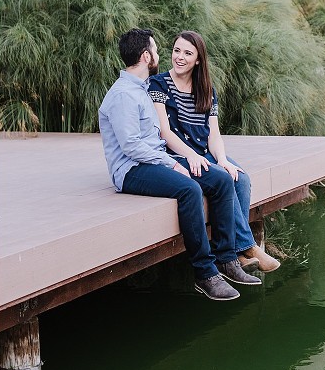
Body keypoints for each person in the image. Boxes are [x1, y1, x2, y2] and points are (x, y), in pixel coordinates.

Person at [98, 28, 261, 301]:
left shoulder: (143, 88)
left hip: (154, 159)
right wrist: (172, 164)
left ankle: (227, 258)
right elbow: (132, 147)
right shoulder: (124, 95)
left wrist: (184, 160)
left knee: (221, 179)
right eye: (158, 50)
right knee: (190, 190)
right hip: (131, 170)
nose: (163, 55)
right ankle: (204, 272)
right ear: (146, 56)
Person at [149, 30, 280, 272]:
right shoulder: (158, 84)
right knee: (222, 180)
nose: (180, 57)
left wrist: (222, 160)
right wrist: (191, 155)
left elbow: (214, 134)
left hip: (204, 153)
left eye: (188, 53)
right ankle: (246, 247)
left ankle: (241, 251)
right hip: (176, 155)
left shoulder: (206, 89)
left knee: (239, 177)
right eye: (177, 50)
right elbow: (164, 132)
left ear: (198, 59)